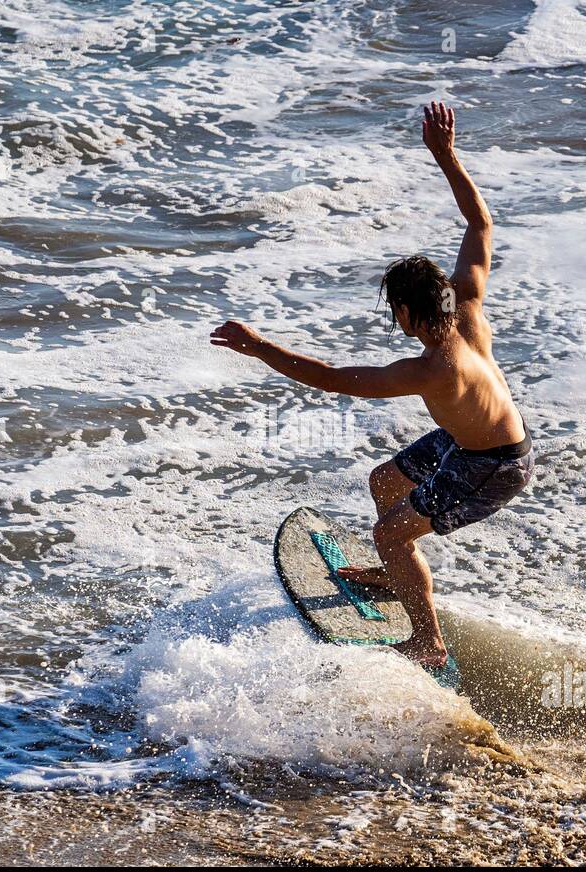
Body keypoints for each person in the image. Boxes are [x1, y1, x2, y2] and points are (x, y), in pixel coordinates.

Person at [211, 101, 532, 669]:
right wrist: (445, 155)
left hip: (495, 464)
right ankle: (398, 574)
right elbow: (481, 224)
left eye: (394, 312)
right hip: (476, 440)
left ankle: (428, 639)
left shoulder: (431, 368)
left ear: (409, 312)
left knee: (390, 532)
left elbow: (332, 378)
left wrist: (258, 347)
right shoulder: (468, 304)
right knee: (385, 481)